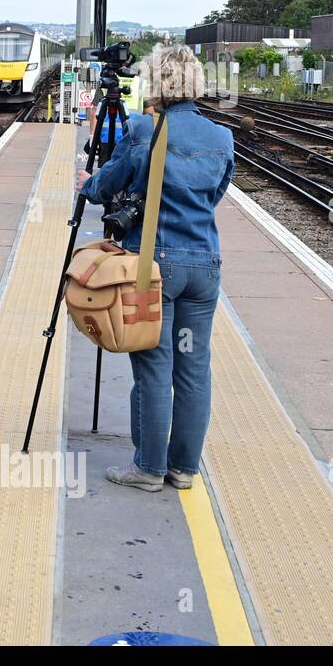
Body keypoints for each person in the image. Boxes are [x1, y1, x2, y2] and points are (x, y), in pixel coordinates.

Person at [76, 45, 235, 493]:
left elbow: (111, 181)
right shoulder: (222, 137)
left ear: (156, 83)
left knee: (153, 366)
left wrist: (89, 186)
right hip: (204, 263)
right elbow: (216, 194)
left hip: (153, 266)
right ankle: (183, 469)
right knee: (194, 368)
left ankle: (147, 468)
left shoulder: (146, 126)